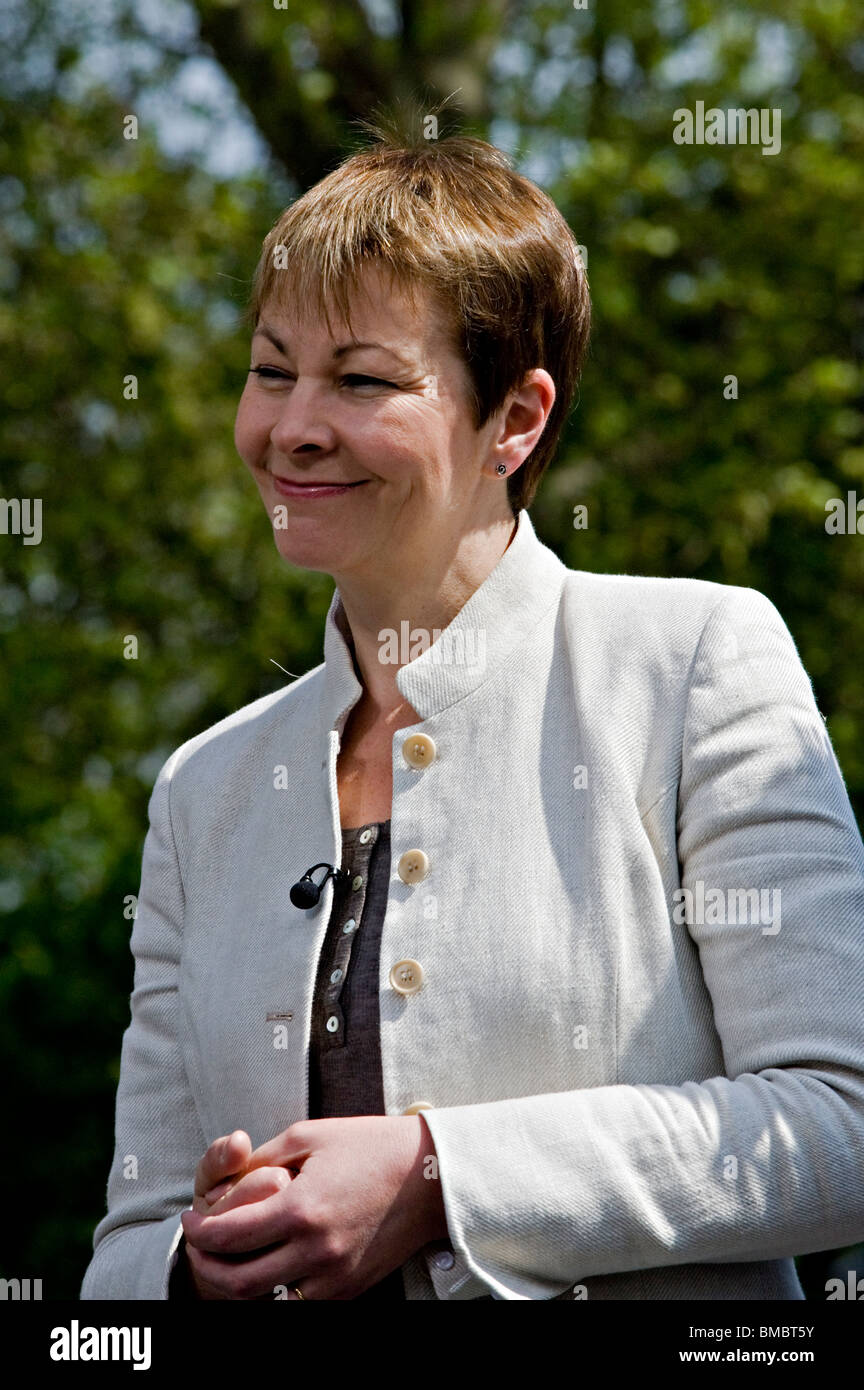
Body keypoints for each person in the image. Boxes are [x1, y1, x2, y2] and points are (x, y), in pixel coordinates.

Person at [81, 127, 864, 1301]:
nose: (292, 424)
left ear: (516, 417)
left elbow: (838, 1121)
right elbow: (126, 1248)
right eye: (269, 368)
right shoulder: (205, 786)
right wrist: (199, 1264)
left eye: (360, 379)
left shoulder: (695, 660)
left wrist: (440, 1172)